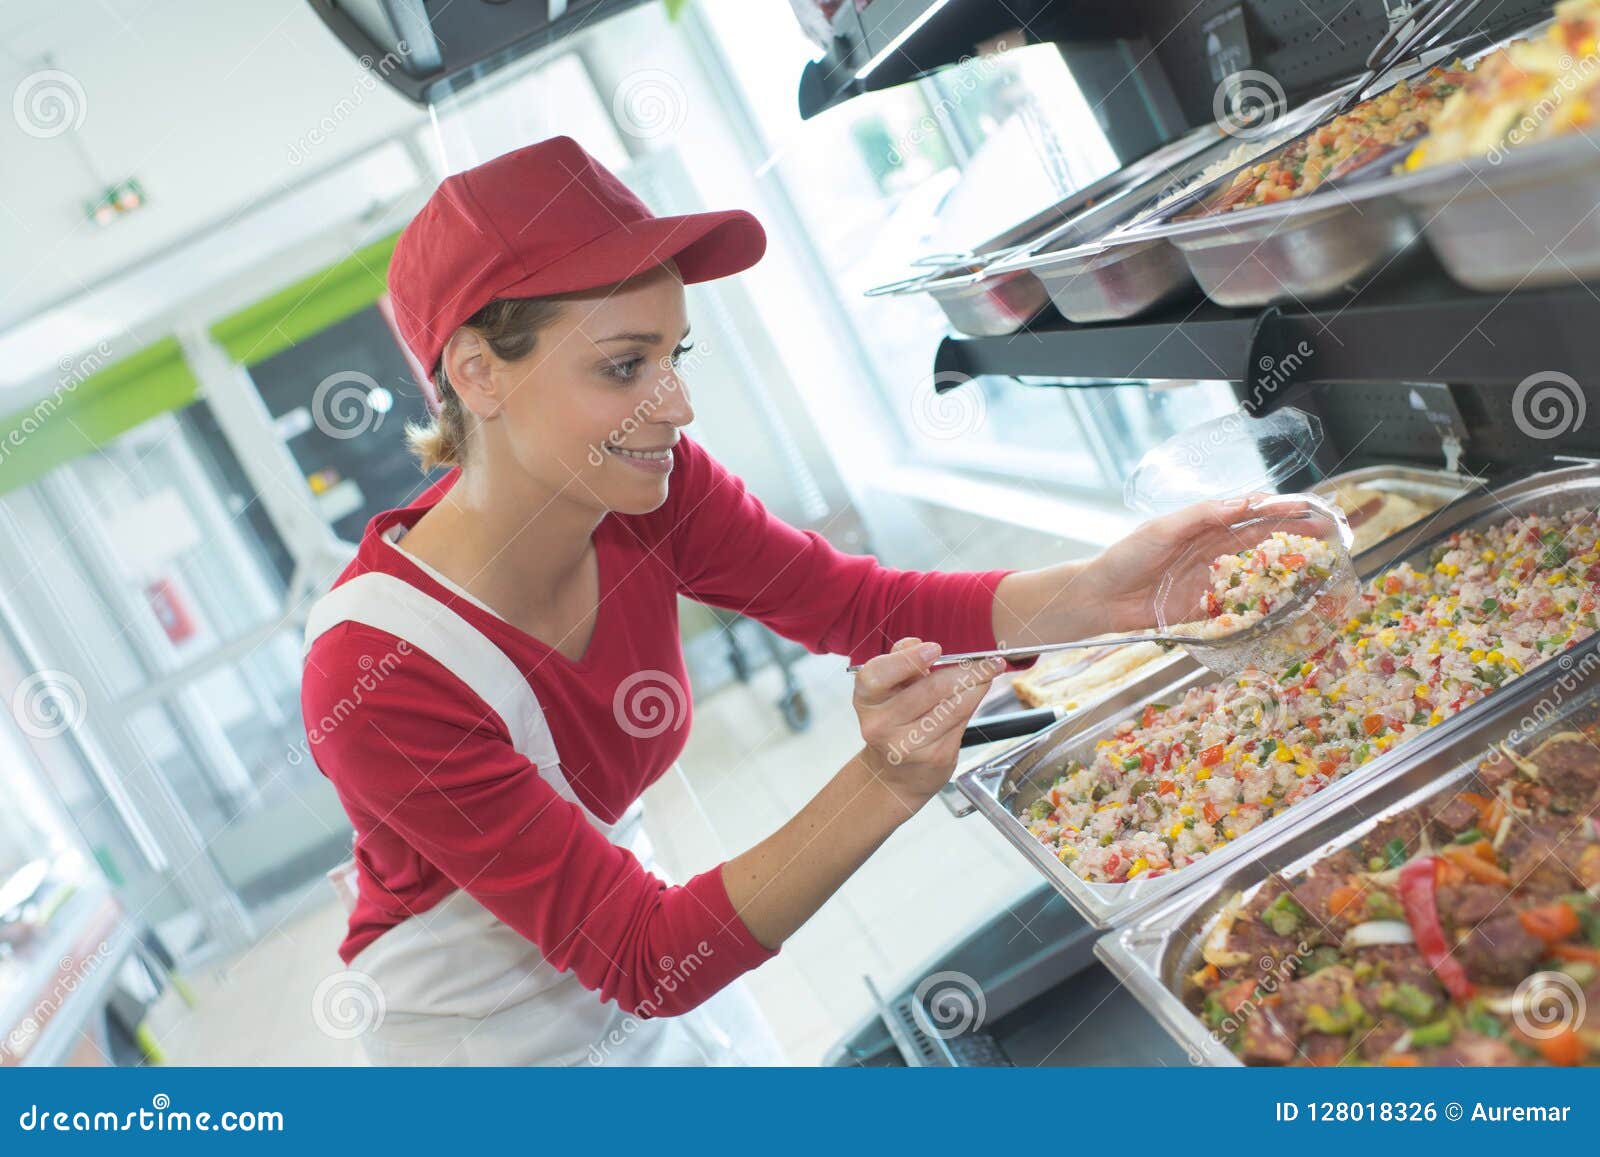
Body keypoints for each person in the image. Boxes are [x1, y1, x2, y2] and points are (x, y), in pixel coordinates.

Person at [300, 135, 1267, 1065]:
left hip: (642, 970)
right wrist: (884, 781)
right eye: (625, 366)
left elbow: (860, 606)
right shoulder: (375, 671)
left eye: (676, 356)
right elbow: (642, 953)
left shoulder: (650, 486)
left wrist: (1105, 595)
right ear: (478, 372)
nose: (676, 406)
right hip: (484, 1044)